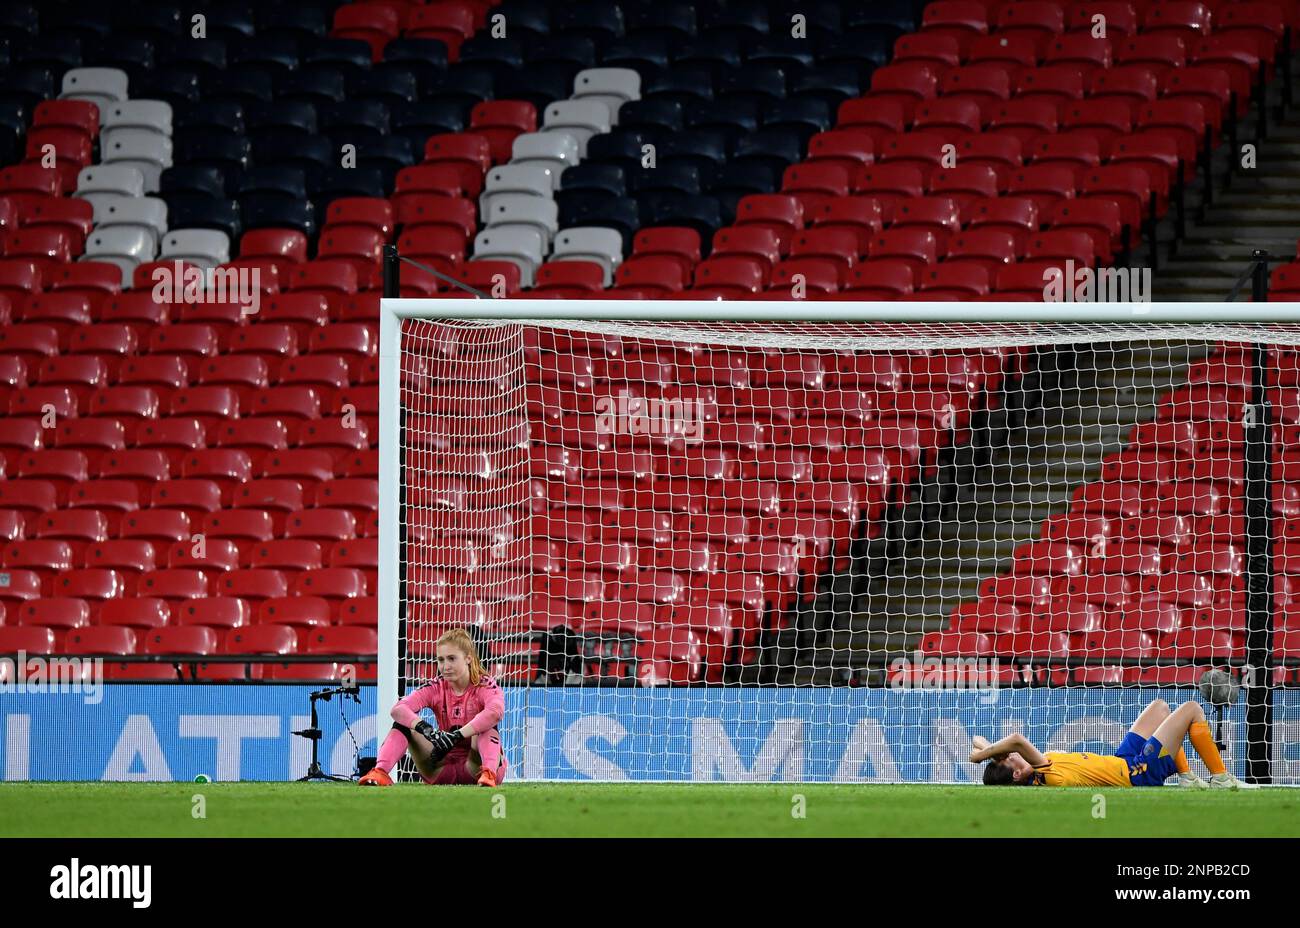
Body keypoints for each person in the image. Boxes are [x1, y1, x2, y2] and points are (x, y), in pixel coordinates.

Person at [970, 698, 1256, 789]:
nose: (1009, 753)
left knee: (1159, 708)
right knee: (1192, 709)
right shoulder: (1047, 775)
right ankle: (1221, 778)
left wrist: (984, 754)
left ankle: (1187, 778)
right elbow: (1017, 740)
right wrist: (982, 756)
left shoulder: (1033, 770)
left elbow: (978, 741)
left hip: (1122, 759)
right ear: (1018, 773)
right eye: (1009, 758)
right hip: (1136, 772)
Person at [360, 628, 507, 787]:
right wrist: (427, 730)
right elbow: (398, 709)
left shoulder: (484, 684)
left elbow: (495, 713)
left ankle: (489, 773)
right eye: (441, 660)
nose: (445, 666)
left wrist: (456, 736)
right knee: (404, 722)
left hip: (475, 769)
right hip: (441, 768)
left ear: (468, 658)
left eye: (452, 658)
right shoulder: (436, 686)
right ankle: (379, 772)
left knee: (487, 725)